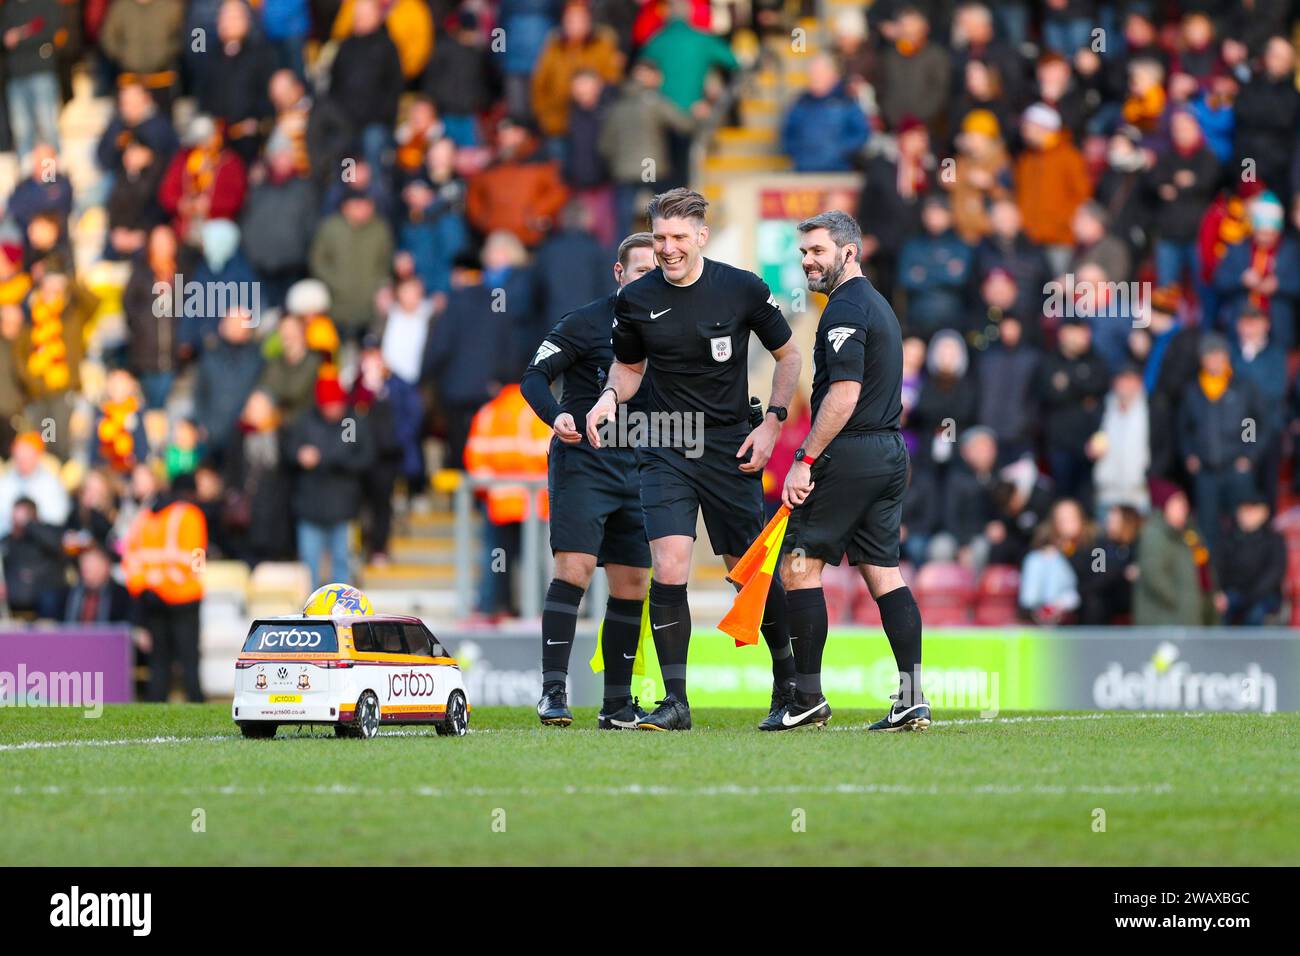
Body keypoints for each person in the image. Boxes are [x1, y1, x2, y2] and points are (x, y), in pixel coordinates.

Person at [585, 188, 801, 732]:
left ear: (701, 236)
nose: (668, 248)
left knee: (743, 573)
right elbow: (628, 368)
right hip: (664, 443)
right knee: (669, 565)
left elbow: (789, 355)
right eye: (660, 237)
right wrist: (609, 398)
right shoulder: (636, 299)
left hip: (731, 447)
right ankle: (676, 701)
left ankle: (791, 686)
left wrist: (773, 423)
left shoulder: (742, 288)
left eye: (679, 237)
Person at [773, 210, 928, 732]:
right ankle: (912, 698)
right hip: (888, 452)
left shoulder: (845, 308)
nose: (808, 261)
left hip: (851, 452)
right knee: (884, 573)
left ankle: (806, 698)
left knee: (799, 568)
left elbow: (843, 395)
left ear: (849, 252)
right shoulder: (877, 305)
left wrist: (803, 459)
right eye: (803, 253)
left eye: (818, 251)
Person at [521, 232, 657, 729]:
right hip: (584, 461)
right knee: (574, 569)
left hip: (642, 466)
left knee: (633, 581)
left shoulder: (670, 327)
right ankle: (553, 692)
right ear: (619, 273)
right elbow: (533, 377)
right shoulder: (584, 321)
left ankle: (616, 703)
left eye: (657, 269)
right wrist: (556, 415)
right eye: (640, 270)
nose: (649, 277)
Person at [121, 469, 208, 702]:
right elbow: (198, 560)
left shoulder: (144, 518)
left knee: (159, 662)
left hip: (152, 598)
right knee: (189, 661)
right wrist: (173, 583)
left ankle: (155, 707)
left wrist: (144, 589)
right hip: (185, 599)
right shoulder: (191, 515)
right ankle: (196, 704)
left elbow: (131, 560)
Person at [1214, 493, 1286, 626]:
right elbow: (1217, 569)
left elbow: (1274, 573)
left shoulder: (1274, 540)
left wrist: (1248, 596)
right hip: (1232, 594)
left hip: (1263, 595)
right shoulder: (1227, 538)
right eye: (1245, 510)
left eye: (1253, 510)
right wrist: (1219, 593)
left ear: (1264, 513)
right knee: (1216, 612)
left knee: (1256, 613)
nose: (1249, 515)